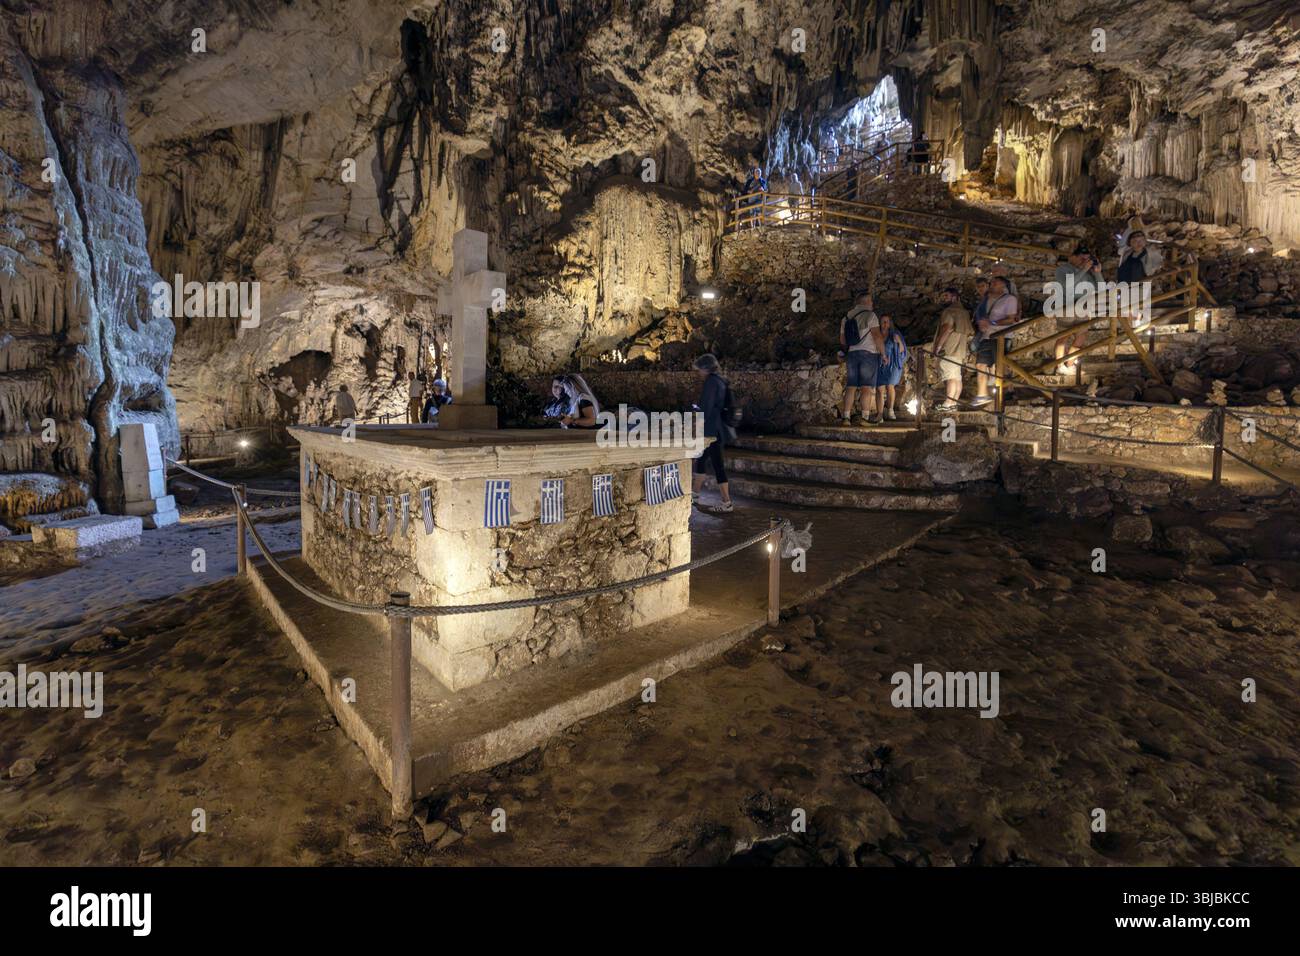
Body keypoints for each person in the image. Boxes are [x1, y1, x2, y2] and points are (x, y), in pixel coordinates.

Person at [690, 353, 733, 512]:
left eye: (700, 369)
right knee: (701, 462)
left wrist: (696, 422)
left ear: (706, 368)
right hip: (717, 428)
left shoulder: (711, 382)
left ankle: (726, 502)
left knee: (717, 465)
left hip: (711, 431)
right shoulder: (721, 380)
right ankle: (694, 494)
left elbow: (706, 407)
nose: (699, 373)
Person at [838, 291, 886, 425]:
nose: (872, 304)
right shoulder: (871, 315)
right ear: (865, 302)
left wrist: (846, 352)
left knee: (851, 386)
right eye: (871, 301)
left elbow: (842, 339)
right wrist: (883, 354)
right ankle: (864, 417)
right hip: (868, 354)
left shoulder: (846, 317)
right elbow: (876, 336)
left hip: (852, 354)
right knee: (866, 387)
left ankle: (846, 417)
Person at [1052, 248, 1103, 371]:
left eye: (1087, 259)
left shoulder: (1087, 272)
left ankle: (1070, 363)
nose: (1084, 261)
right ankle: (1059, 365)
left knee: (1082, 335)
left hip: (1082, 307)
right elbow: (1068, 285)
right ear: (1072, 257)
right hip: (1065, 307)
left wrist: (1097, 272)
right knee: (1064, 336)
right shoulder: (1063, 269)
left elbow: (1101, 288)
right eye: (1082, 258)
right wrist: (1084, 269)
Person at [972, 275, 1019, 407]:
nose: (991, 284)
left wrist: (992, 322)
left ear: (1003, 286)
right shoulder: (986, 299)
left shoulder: (1010, 299)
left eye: (995, 283)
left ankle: (1005, 393)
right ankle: (982, 395)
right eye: (991, 282)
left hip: (1001, 337)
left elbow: (1011, 319)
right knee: (980, 364)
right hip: (986, 336)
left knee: (1000, 366)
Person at [930, 287, 973, 410]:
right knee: (957, 377)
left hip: (949, 348)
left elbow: (946, 329)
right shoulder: (964, 312)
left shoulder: (949, 312)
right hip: (960, 350)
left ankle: (948, 403)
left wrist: (937, 348)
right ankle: (954, 403)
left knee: (950, 376)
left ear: (954, 297)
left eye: (946, 296)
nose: (944, 298)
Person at [877, 314, 908, 420]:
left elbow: (902, 351)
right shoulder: (876, 334)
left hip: (892, 364)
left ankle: (890, 410)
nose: (885, 324)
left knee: (890, 386)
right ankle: (879, 414)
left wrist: (898, 341)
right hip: (879, 363)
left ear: (890, 323)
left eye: (887, 322)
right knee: (879, 388)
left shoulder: (895, 334)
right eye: (883, 321)